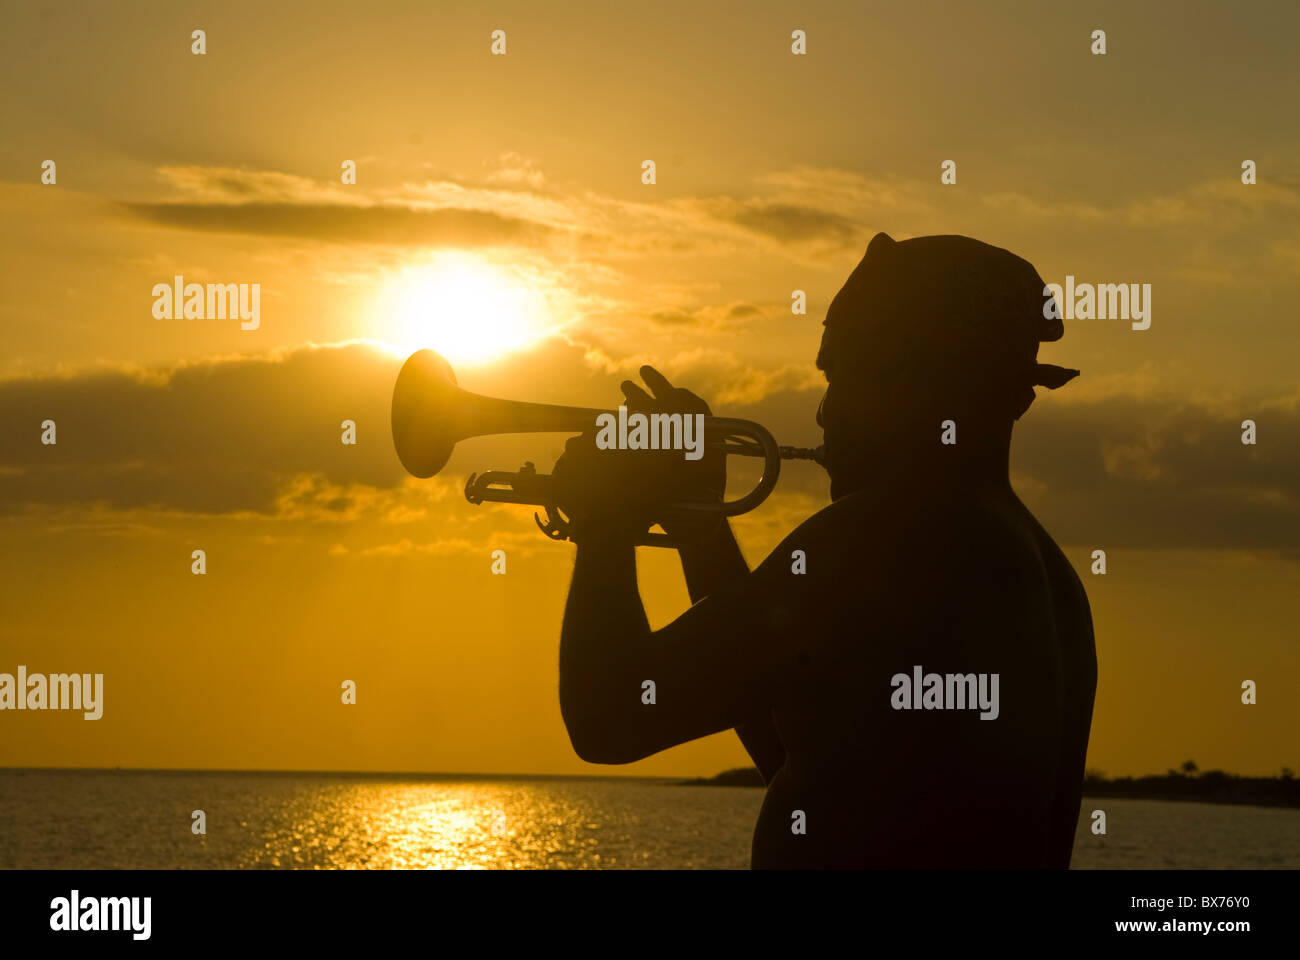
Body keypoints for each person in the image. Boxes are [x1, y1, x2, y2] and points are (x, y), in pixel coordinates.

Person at [552, 232, 1097, 868]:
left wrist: (606, 522)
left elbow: (608, 718)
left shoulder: (883, 538)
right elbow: (799, 748)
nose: (824, 412)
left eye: (846, 376)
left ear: (921, 380)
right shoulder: (1049, 578)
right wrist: (698, 525)